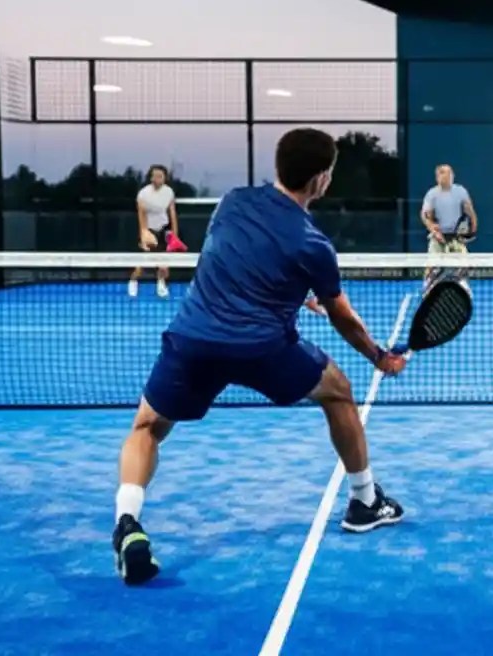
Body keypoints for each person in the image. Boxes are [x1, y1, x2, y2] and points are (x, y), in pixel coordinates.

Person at [111, 128, 408, 587]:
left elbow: (241, 258)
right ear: (321, 181)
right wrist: (378, 356)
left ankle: (128, 522)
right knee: (339, 392)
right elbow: (343, 317)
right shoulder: (314, 244)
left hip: (194, 340)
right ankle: (365, 500)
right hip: (261, 349)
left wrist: (294, 294)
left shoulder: (232, 202)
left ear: (278, 166)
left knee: (147, 427)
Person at [420, 163, 477, 287]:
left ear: (452, 176)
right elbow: (425, 215)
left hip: (456, 236)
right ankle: (428, 285)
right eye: (441, 174)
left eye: (448, 173)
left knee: (464, 265)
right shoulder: (432, 194)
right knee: (432, 265)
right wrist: (433, 229)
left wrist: (472, 229)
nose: (446, 176)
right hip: (438, 236)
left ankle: (462, 285)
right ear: (437, 177)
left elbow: (469, 211)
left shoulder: (460, 191)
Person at [128, 165, 179, 299]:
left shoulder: (169, 192)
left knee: (164, 263)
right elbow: (141, 216)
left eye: (160, 176)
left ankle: (161, 285)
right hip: (149, 230)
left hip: (164, 229)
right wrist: (144, 234)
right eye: (155, 176)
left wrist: (175, 235)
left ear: (164, 178)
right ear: (151, 177)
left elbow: (172, 214)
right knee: (144, 262)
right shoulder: (143, 194)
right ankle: (133, 282)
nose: (157, 179)